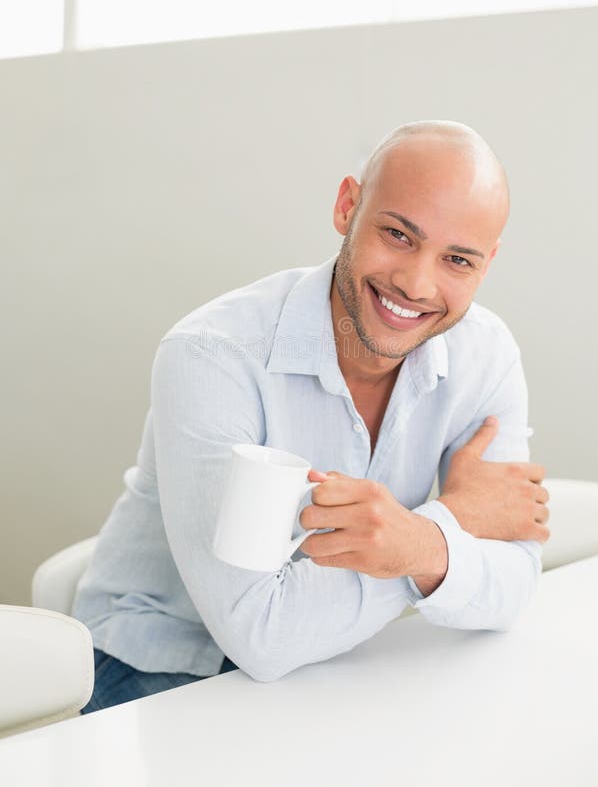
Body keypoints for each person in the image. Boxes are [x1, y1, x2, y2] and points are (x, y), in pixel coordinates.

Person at [74, 120, 550, 712]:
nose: (416, 282)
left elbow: (513, 588)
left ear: (488, 263)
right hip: (156, 665)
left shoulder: (487, 353)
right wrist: (447, 528)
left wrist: (420, 542)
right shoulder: (211, 352)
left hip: (337, 658)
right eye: (399, 235)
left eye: (458, 259)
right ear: (348, 206)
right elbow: (261, 637)